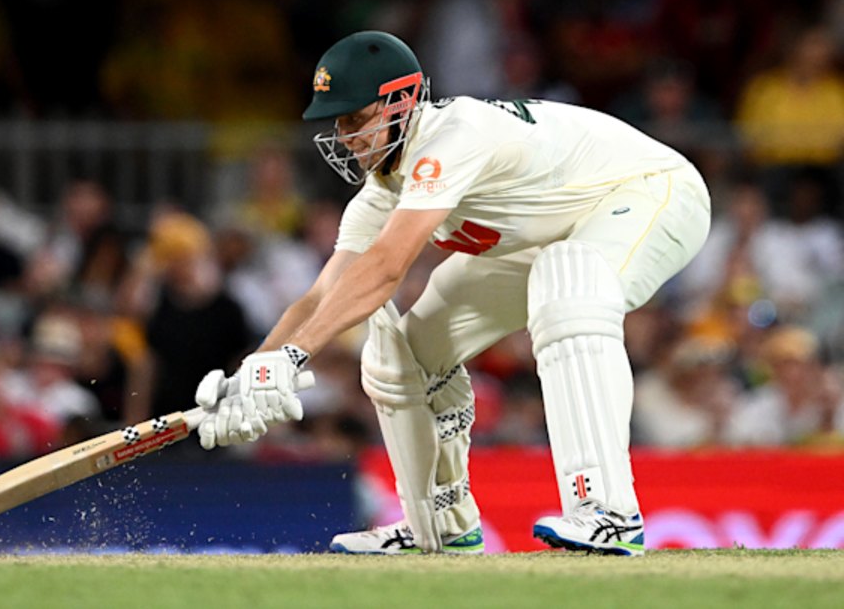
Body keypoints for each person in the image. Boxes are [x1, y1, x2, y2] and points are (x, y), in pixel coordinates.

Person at [194, 31, 712, 556]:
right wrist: (253, 372)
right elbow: (321, 295)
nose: (346, 135)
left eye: (356, 118)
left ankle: (608, 512)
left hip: (654, 192)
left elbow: (387, 267)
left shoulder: (452, 137)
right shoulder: (382, 190)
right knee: (403, 356)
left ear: (402, 101)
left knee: (569, 282)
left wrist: (294, 354)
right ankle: (438, 527)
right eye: (339, 122)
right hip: (553, 230)